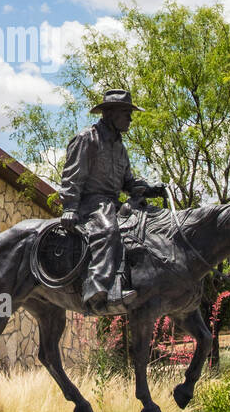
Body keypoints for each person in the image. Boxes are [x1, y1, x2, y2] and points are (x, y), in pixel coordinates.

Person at [59, 89, 165, 313]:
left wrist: (149, 188)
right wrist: (69, 207)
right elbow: (72, 176)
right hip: (91, 203)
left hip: (112, 203)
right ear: (110, 113)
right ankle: (97, 289)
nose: (130, 118)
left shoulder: (120, 147)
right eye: (126, 113)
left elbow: (129, 182)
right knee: (108, 230)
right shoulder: (87, 138)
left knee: (146, 225)